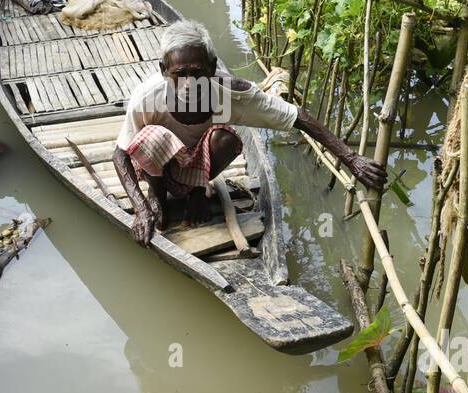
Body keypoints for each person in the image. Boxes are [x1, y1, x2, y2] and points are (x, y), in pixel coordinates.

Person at [112, 20, 387, 246]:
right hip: (156, 168)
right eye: (179, 74)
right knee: (151, 136)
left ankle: (197, 191)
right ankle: (157, 196)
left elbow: (297, 117)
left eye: (197, 72)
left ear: (212, 68)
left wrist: (352, 160)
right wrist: (140, 207)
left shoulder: (231, 93)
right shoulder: (148, 98)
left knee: (227, 139)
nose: (189, 84)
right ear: (163, 71)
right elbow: (121, 153)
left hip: (196, 166)